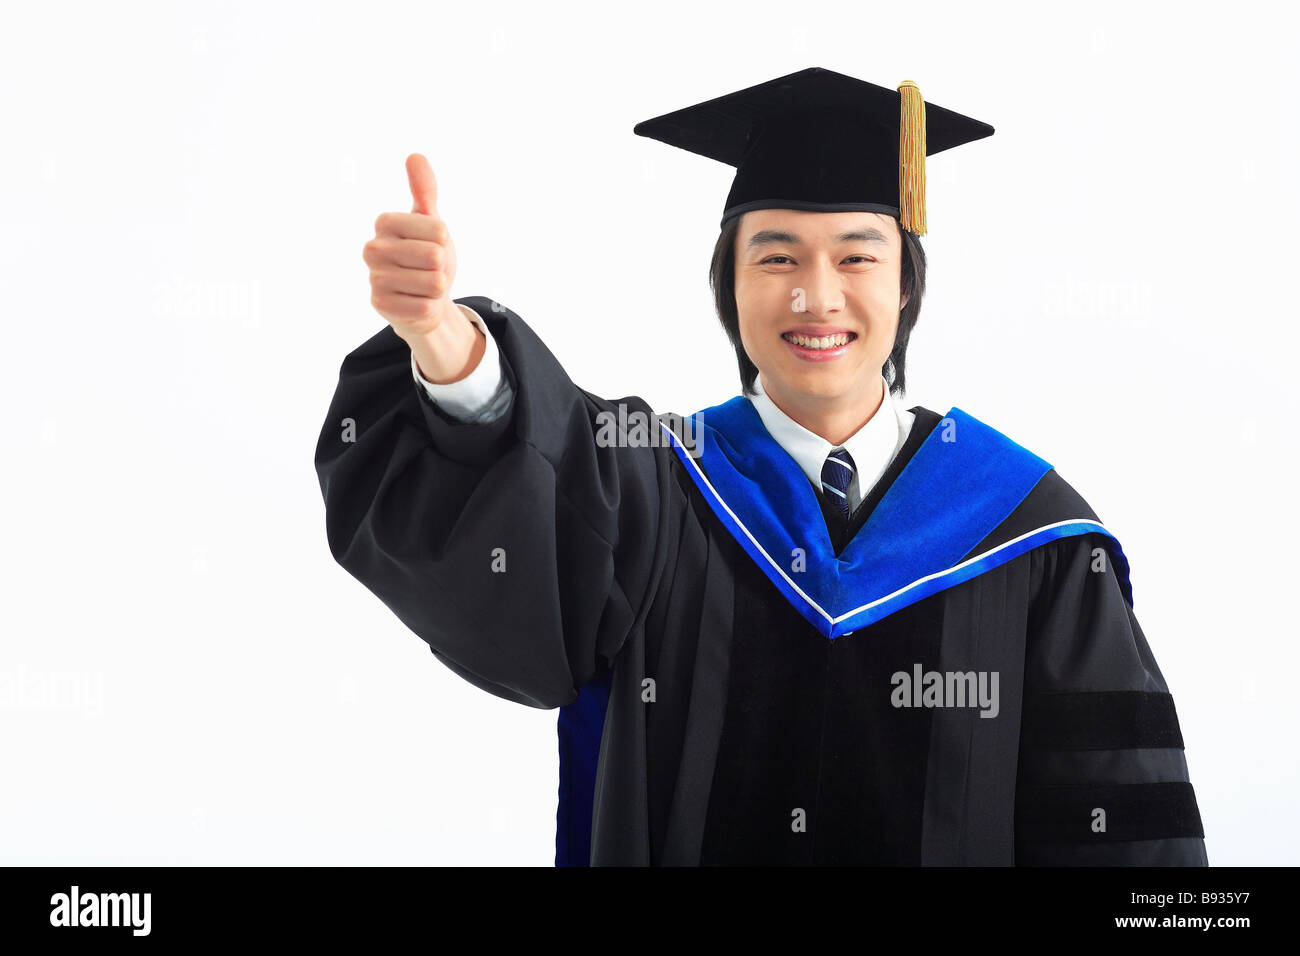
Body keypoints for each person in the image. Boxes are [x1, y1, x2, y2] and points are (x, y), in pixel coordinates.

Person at [314, 67, 1208, 866]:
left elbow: (1122, 830)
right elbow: (544, 472)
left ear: (904, 286)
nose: (816, 295)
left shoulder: (1029, 534)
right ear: (728, 289)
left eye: (858, 256)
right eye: (774, 256)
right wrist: (447, 346)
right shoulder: (658, 494)